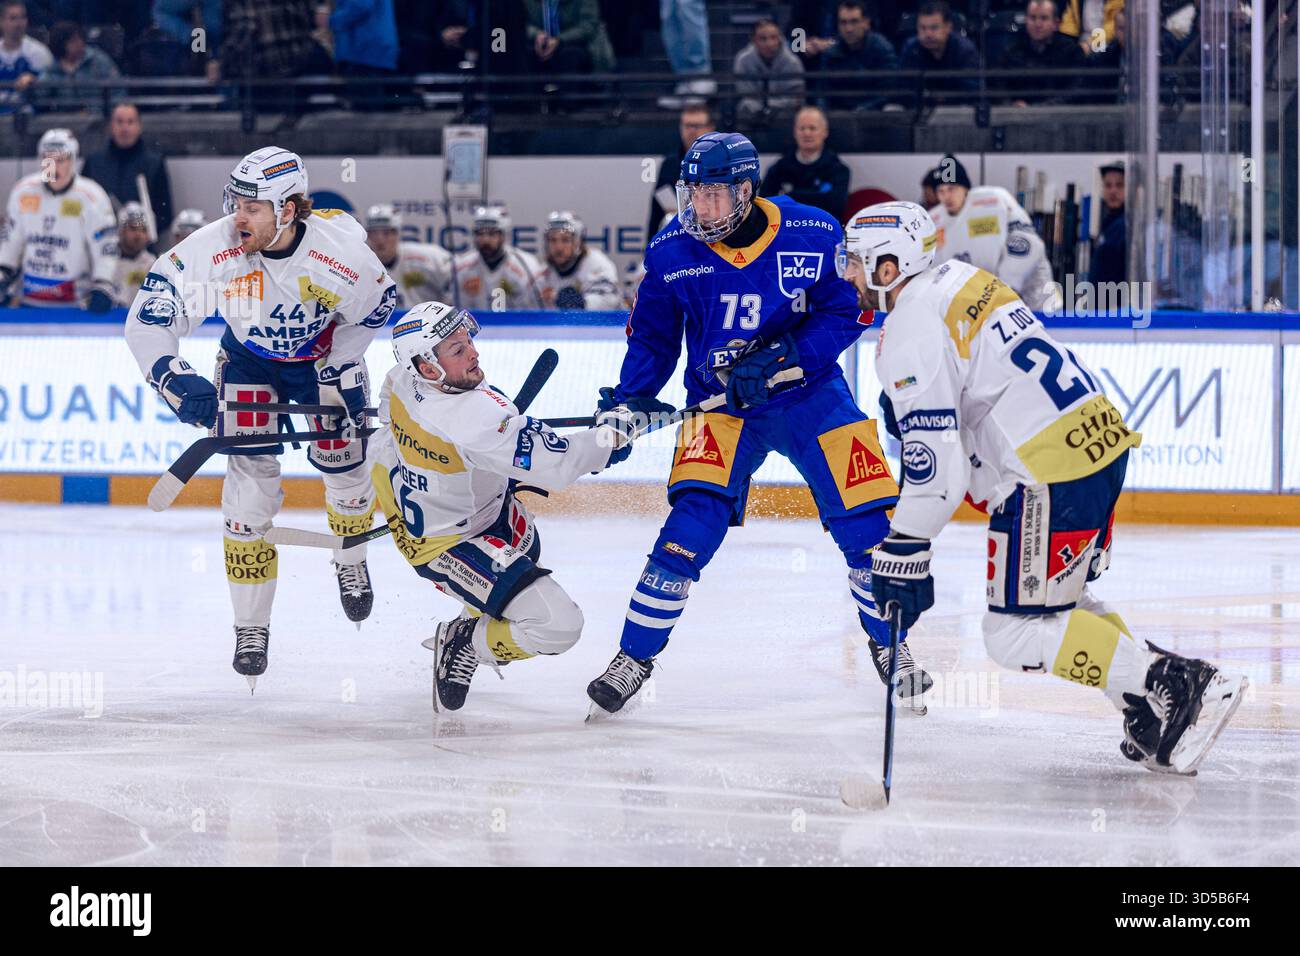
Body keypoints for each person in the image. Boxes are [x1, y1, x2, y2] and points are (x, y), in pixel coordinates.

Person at [842, 200, 1248, 775]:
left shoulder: (907, 322)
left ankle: (1173, 681)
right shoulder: (961, 279)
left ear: (889, 267)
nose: (847, 277)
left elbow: (939, 469)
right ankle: (1145, 704)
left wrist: (906, 548)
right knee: (1059, 603)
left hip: (1048, 467)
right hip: (1097, 441)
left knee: (1011, 632)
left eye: (855, 264)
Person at [584, 131, 931, 719]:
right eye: (692, 194)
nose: (699, 208)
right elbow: (654, 338)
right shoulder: (670, 251)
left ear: (747, 190)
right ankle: (633, 656)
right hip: (719, 408)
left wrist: (780, 358)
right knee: (688, 527)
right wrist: (631, 401)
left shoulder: (815, 232)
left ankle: (890, 646)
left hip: (811, 397)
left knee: (867, 526)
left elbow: (846, 311)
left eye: (714, 195)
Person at [123, 147, 399, 688]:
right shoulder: (213, 249)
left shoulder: (340, 253)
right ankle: (251, 626)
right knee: (248, 494)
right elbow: (148, 318)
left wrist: (339, 363)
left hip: (321, 360)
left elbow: (377, 308)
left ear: (289, 210)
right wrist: (174, 378)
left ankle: (350, 558)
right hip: (250, 360)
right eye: (235, 202)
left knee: (345, 472)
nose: (236, 217)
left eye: (252, 207)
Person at [372, 301, 637, 710]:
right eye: (457, 350)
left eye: (467, 341)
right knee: (557, 626)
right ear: (427, 366)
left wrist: (475, 460)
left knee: (525, 547)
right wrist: (611, 436)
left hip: (448, 508)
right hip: (447, 543)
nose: (473, 352)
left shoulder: (400, 379)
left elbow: (388, 431)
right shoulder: (473, 418)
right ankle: (466, 644)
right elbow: (559, 465)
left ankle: (472, 614)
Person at [0, 129, 117, 311]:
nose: (53, 167)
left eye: (60, 160)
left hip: (76, 304)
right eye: (48, 159)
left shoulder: (91, 196)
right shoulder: (23, 191)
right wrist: (3, 271)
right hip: (29, 301)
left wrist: (103, 283)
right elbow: (10, 239)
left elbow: (106, 247)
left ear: (72, 161)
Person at [928, 153, 1060, 311]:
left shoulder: (994, 201)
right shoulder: (935, 220)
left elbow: (1028, 245)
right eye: (941, 191)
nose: (947, 196)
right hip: (981, 309)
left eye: (951, 188)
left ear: (965, 188)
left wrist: (1005, 289)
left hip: (1035, 302)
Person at [81, 101, 175, 239]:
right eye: (119, 122)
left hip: (141, 251)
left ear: (139, 126)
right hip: (100, 244)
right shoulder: (93, 163)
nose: (125, 128)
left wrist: (138, 235)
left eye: (130, 122)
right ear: (111, 126)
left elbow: (165, 214)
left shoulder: (154, 164)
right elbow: (82, 206)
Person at [759, 106, 850, 219]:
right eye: (802, 128)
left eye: (812, 128)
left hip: (823, 231)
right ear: (795, 132)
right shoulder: (778, 169)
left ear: (825, 132)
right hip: (785, 229)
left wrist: (788, 196)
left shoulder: (839, 170)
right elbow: (764, 204)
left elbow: (835, 206)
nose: (807, 133)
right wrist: (816, 196)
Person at [450, 205, 545, 310]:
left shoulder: (526, 265)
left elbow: (534, 311)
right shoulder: (462, 267)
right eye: (480, 234)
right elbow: (455, 310)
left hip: (516, 325)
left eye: (492, 234)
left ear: (505, 235)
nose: (485, 240)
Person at [646, 103, 715, 244]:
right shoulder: (669, 165)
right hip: (676, 238)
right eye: (687, 126)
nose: (691, 131)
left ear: (710, 128)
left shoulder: (721, 162)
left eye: (697, 126)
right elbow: (656, 212)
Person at [995, 0, 1087, 106]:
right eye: (1032, 18)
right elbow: (999, 87)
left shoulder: (1071, 51)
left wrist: (1040, 108)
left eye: (1044, 18)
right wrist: (1011, 103)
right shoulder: (1012, 50)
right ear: (1026, 20)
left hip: (1060, 116)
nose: (1037, 24)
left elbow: (1075, 91)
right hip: (1019, 117)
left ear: (1056, 24)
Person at [363, 203, 451, 308]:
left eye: (386, 233)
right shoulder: (361, 266)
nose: (380, 239)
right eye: (373, 233)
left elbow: (454, 275)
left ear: (397, 234)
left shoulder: (427, 257)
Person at [815, 1, 897, 111]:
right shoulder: (830, 53)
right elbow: (823, 93)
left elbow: (888, 93)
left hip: (874, 116)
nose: (849, 29)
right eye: (843, 23)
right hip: (839, 117)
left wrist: (862, 111)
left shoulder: (883, 50)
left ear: (866, 23)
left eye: (854, 22)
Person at [897, 1, 980, 104]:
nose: (928, 34)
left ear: (948, 27)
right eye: (923, 28)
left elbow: (971, 93)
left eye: (934, 28)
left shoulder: (965, 50)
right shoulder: (911, 48)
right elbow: (903, 90)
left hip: (957, 112)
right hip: (919, 111)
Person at [537, 210, 622, 310]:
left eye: (565, 240)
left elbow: (604, 305)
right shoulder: (544, 273)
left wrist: (562, 298)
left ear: (578, 242)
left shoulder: (597, 265)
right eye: (553, 240)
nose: (558, 247)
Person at [733, 17, 805, 122]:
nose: (769, 43)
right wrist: (763, 109)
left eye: (773, 37)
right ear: (753, 39)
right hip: (753, 114)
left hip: (786, 115)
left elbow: (795, 98)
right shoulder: (743, 61)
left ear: (780, 37)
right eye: (763, 38)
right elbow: (745, 94)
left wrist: (770, 107)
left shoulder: (793, 62)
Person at [36, 20, 121, 108]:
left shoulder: (99, 60)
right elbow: (39, 94)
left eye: (80, 39)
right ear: (61, 44)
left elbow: (118, 90)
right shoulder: (53, 67)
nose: (79, 43)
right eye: (73, 41)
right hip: (63, 118)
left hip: (98, 116)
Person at [0, 1, 52, 111]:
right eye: (13, 18)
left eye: (23, 17)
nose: (18, 23)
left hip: (28, 119)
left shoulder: (40, 52)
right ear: (1, 21)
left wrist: (34, 81)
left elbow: (49, 91)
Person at [1088, 159, 1126, 284]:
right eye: (1108, 185)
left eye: (1119, 185)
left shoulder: (1126, 226)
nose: (1113, 191)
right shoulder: (1107, 224)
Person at [113, 201, 153, 306]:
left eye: (143, 230)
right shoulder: (105, 262)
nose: (138, 234)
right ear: (121, 231)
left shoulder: (154, 266)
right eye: (133, 228)